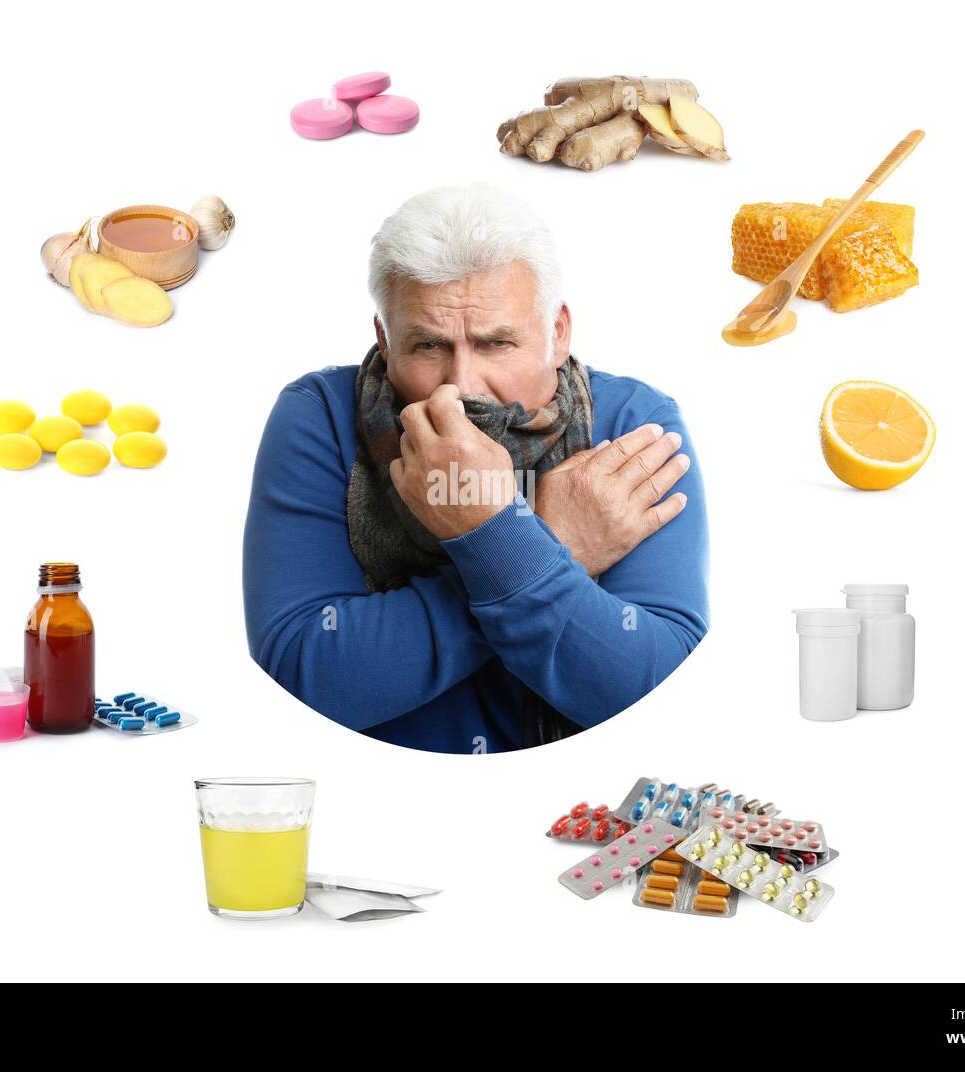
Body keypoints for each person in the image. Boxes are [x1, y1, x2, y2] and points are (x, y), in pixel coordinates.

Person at [244, 184, 709, 753]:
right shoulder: (318, 414)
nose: (461, 386)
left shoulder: (635, 421)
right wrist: (545, 541)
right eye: (427, 346)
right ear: (384, 341)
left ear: (558, 333)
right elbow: (303, 678)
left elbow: (656, 688)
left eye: (496, 344)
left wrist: (496, 540)